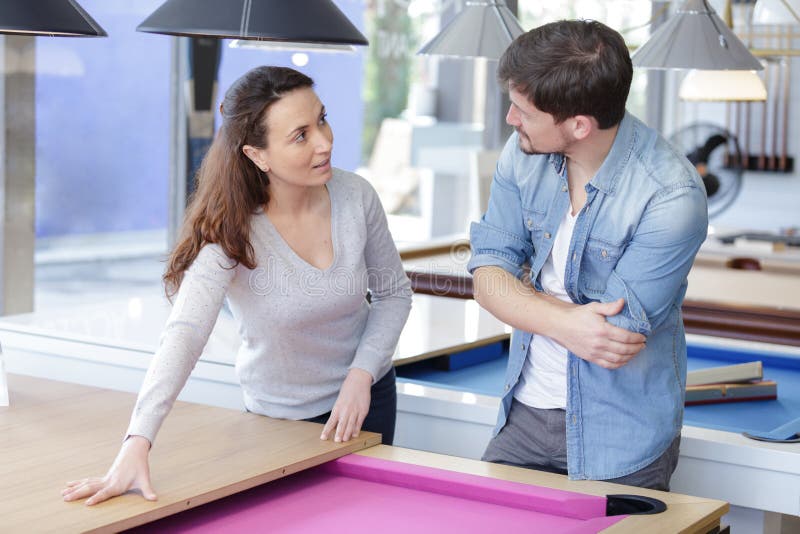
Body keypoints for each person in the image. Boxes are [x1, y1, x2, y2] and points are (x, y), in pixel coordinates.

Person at [62, 66, 412, 505]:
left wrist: (362, 374)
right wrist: (137, 441)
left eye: (322, 119)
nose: (325, 141)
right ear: (258, 155)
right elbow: (185, 334)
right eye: (300, 135)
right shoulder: (231, 233)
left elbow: (393, 293)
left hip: (367, 401)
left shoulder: (357, 197)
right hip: (278, 422)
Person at [468, 20, 708, 490]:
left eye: (523, 111)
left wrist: (523, 297)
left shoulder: (673, 196)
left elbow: (612, 341)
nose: (510, 120)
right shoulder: (522, 154)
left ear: (579, 125)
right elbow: (487, 273)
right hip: (523, 418)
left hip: (623, 436)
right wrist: (565, 320)